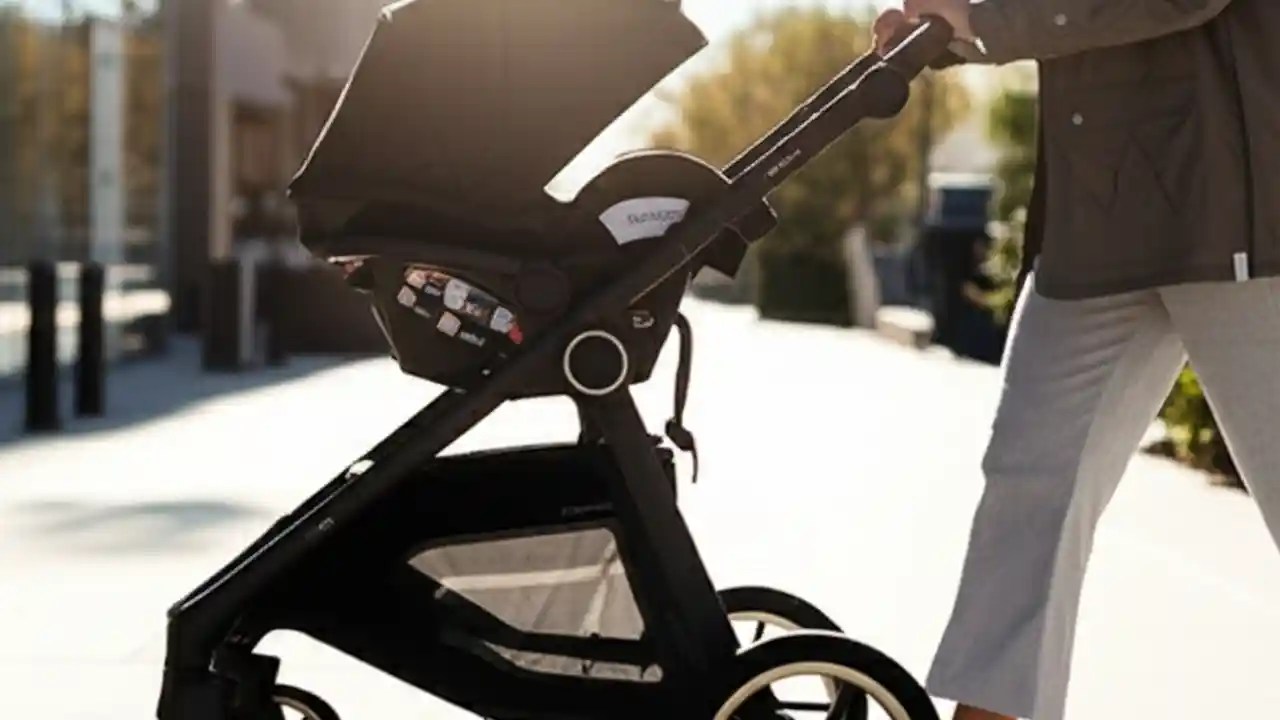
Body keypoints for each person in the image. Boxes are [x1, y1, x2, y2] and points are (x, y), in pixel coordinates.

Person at [872, 2, 1280, 719]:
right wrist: (947, 25)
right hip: (1095, 222)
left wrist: (985, 22)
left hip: (1235, 219)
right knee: (1027, 491)